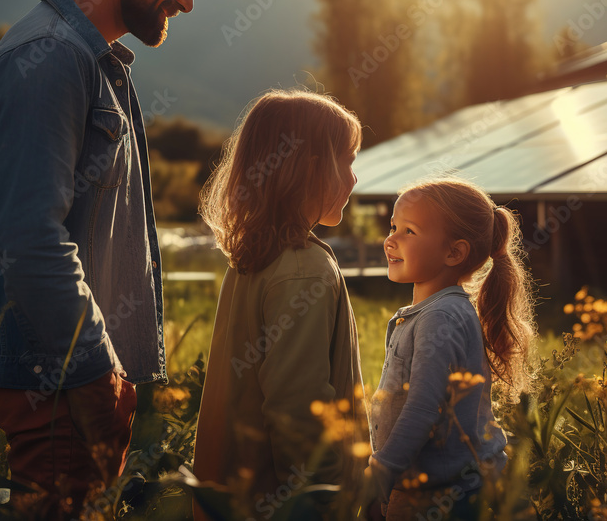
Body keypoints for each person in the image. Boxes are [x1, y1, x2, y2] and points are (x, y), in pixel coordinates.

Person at [0, 0, 228, 520]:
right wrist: (96, 372)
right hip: (59, 384)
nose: (186, 1)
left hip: (70, 380)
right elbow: (31, 239)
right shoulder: (51, 60)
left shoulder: (87, 61)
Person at [193, 89, 369, 520]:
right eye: (347, 161)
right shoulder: (304, 270)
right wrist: (324, 497)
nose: (355, 178)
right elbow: (298, 409)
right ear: (308, 169)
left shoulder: (256, 256)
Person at [368, 178, 537, 520]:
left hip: (435, 496)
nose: (391, 239)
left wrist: (380, 472)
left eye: (409, 231)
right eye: (393, 227)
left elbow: (422, 407)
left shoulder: (440, 317)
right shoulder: (437, 311)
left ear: (454, 252)